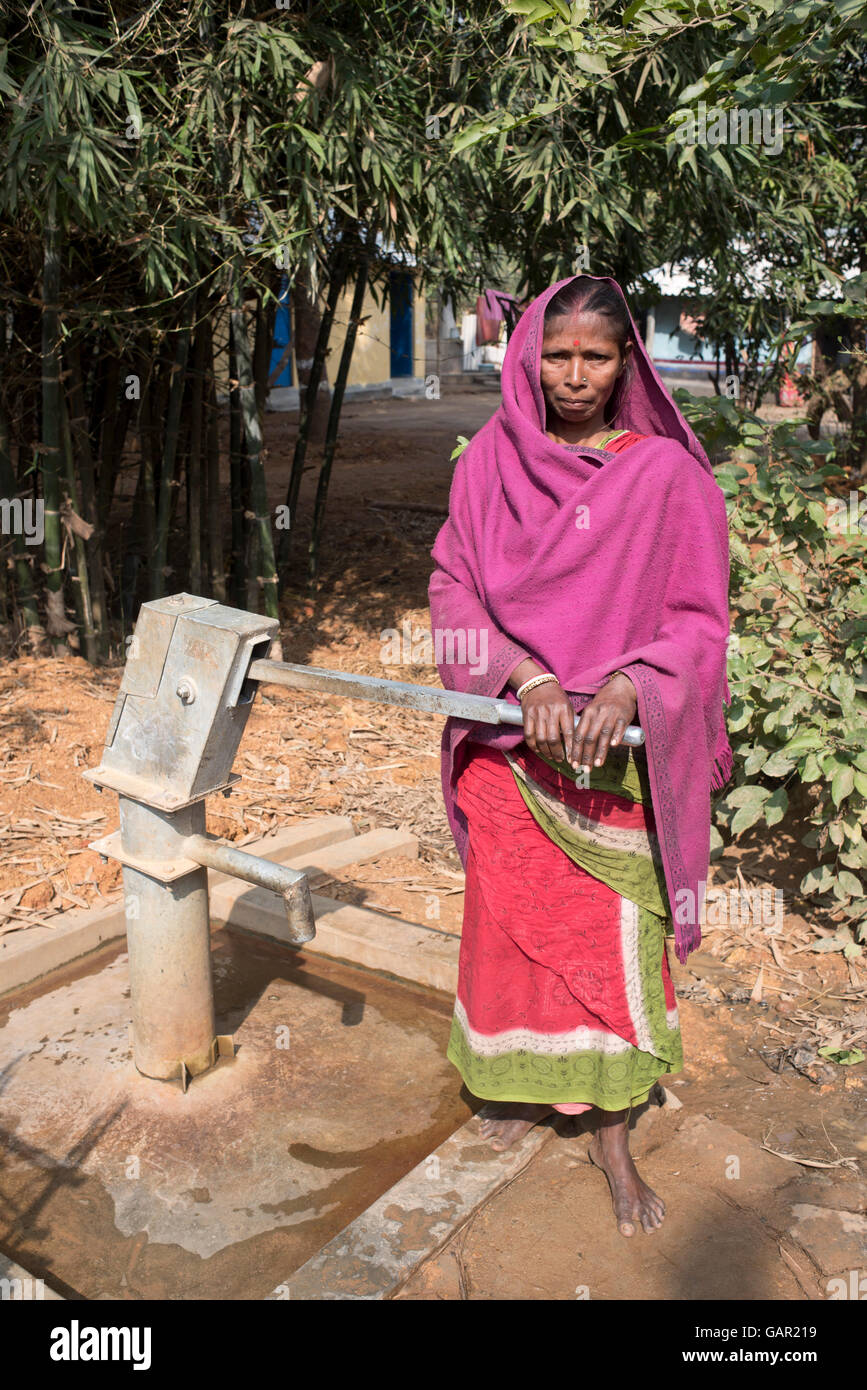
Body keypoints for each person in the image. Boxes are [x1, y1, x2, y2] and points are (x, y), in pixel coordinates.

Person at [428, 274, 731, 1237]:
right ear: (527, 355)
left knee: (607, 938)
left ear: (625, 360)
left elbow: (696, 623)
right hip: (512, 749)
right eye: (556, 355)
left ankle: (610, 1130)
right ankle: (516, 1091)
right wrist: (526, 678)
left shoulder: (667, 479)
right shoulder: (488, 466)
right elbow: (452, 587)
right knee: (513, 932)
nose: (573, 376)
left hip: (615, 761)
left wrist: (626, 685)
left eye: (595, 356)